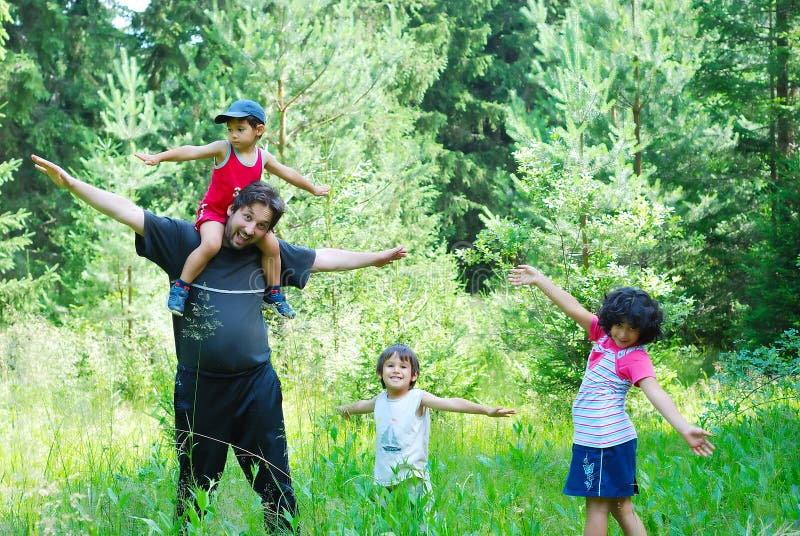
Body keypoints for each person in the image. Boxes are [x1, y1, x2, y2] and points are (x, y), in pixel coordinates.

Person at [31, 154, 406, 533]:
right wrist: (73, 185)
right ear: (231, 208)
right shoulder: (186, 241)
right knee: (194, 487)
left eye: (262, 226)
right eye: (246, 218)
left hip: (255, 387)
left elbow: (323, 257)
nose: (250, 230)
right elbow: (129, 212)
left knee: (275, 482)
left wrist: (375, 258)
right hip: (200, 388)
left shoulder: (268, 256)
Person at [507, 265, 715, 536]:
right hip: (599, 440)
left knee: (597, 506)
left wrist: (683, 427)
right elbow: (572, 307)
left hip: (605, 441)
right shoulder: (602, 336)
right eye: (619, 325)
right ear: (610, 321)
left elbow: (655, 392)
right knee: (620, 507)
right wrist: (539, 279)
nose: (623, 333)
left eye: (632, 328)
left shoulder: (635, 357)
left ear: (645, 330)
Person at [135, 99, 331, 318]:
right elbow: (191, 151)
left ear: (259, 130)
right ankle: (181, 287)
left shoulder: (262, 157)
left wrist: (312, 188)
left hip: (244, 218)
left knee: (272, 246)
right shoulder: (223, 149)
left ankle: (274, 293)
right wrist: (159, 157)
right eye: (230, 130)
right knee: (211, 244)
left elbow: (287, 172)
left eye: (240, 129)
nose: (233, 135)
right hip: (215, 212)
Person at [335, 343, 515, 506]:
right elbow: (361, 405)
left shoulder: (418, 398)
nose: (396, 370)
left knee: (419, 524)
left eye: (403, 366)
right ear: (380, 373)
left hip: (412, 479)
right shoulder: (380, 400)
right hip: (384, 477)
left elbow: (453, 403)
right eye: (390, 365)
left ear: (414, 375)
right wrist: (344, 410)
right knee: (387, 525)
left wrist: (487, 410)